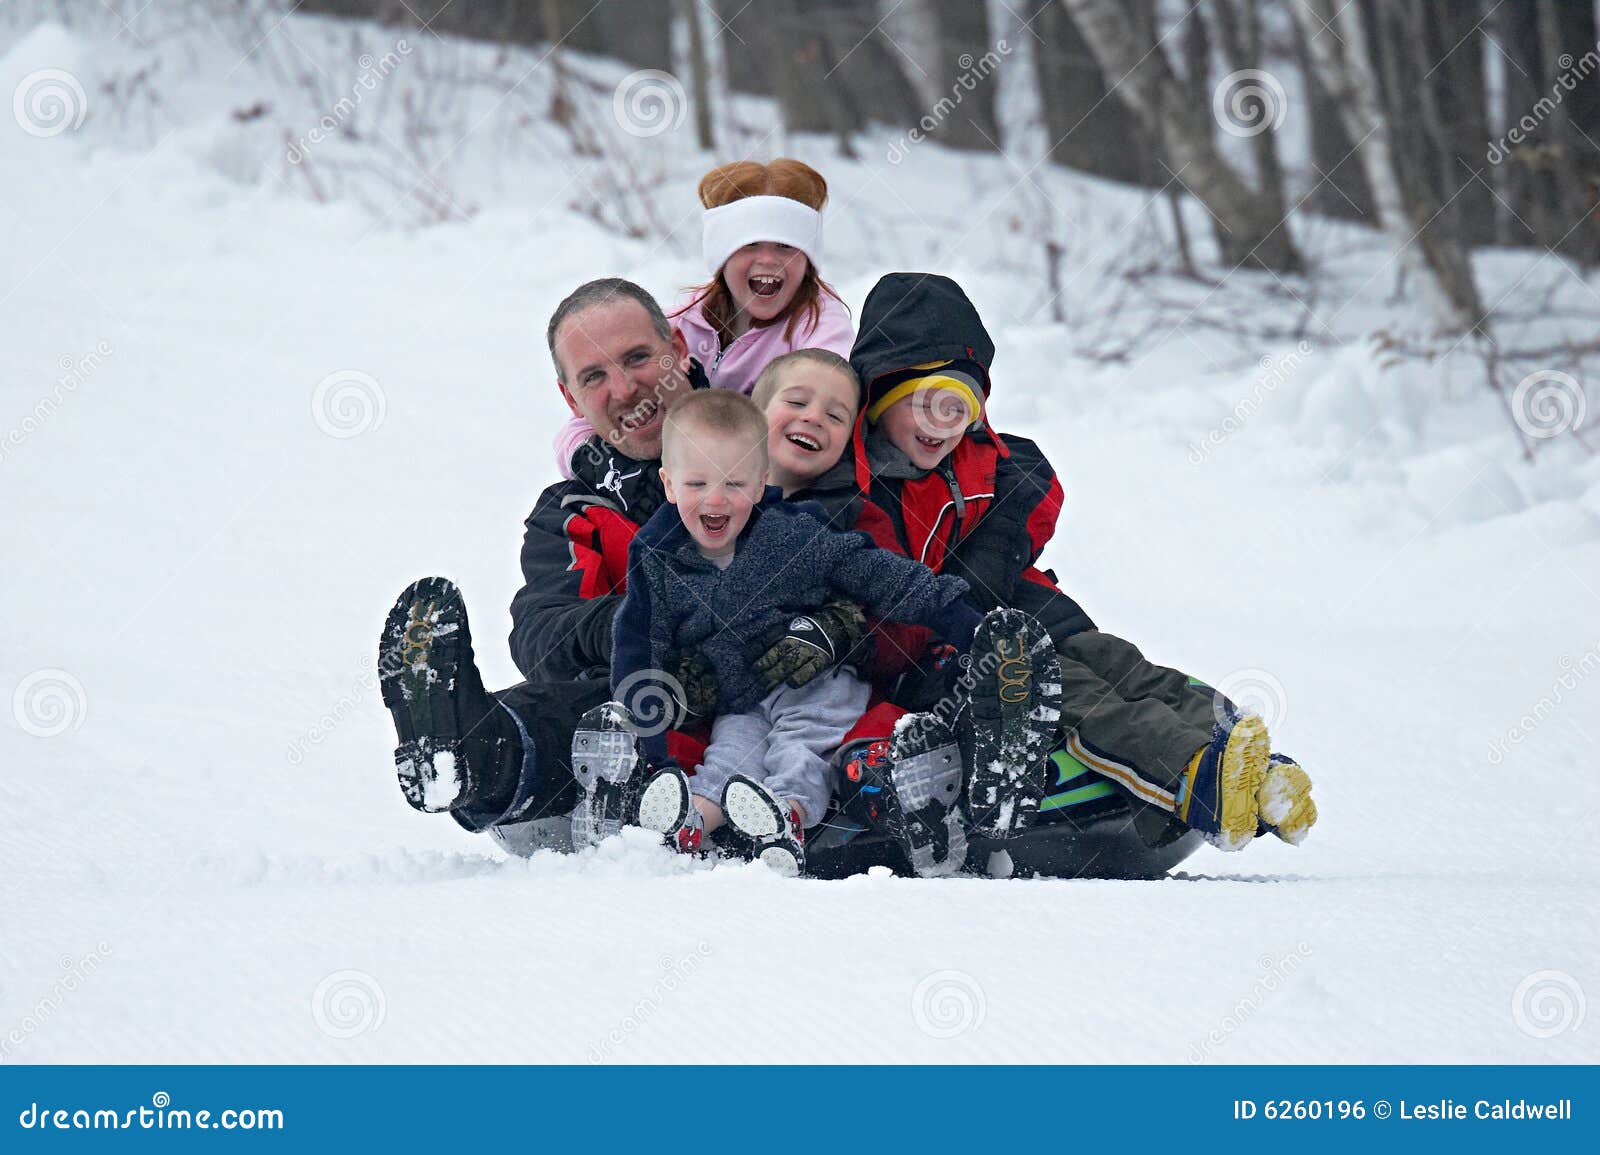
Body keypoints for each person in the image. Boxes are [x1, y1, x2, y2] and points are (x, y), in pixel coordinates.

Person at [377, 278, 871, 855]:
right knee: (581, 713)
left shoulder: (779, 451)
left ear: (679, 353)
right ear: (571, 400)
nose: (624, 387)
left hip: (790, 711)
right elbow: (540, 634)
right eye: (594, 377)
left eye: (638, 359)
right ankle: (466, 756)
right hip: (652, 715)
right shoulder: (575, 510)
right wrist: (649, 622)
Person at [846, 273, 1319, 855]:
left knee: (1119, 665)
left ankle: (1256, 768)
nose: (944, 428)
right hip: (958, 652)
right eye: (927, 405)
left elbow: (1031, 497)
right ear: (880, 396)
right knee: (1078, 696)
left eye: (961, 409)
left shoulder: (988, 463)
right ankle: (1195, 775)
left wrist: (990, 568)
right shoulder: (856, 487)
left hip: (1025, 611)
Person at [605, 388, 992, 876]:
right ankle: (688, 824)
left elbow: (877, 573)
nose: (716, 499)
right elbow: (641, 646)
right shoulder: (658, 558)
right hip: (741, 697)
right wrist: (652, 751)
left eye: (734, 483)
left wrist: (962, 620)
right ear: (668, 483)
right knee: (727, 757)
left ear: (763, 479)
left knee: (799, 747)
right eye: (698, 482)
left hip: (815, 683)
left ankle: (786, 818)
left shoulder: (789, 535)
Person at [551, 159, 854, 479]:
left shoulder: (821, 332)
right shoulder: (686, 321)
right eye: (749, 244)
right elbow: (590, 417)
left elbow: (815, 419)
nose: (768, 259)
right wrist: (596, 464)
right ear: (721, 254)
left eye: (785, 246)